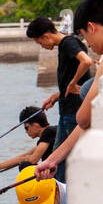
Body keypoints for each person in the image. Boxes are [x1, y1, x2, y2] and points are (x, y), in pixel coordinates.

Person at [35, 0, 103, 179]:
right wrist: (52, 159)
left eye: (86, 36)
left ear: (92, 27)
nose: (88, 44)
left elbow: (84, 118)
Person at [25, 17, 94, 180]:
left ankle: (64, 192)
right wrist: (57, 95)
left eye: (40, 43)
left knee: (67, 157)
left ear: (46, 36)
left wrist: (73, 83)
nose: (42, 46)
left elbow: (86, 61)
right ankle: (60, 190)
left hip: (73, 110)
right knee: (57, 156)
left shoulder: (68, 43)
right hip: (66, 108)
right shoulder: (65, 45)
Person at [0, 106, 57, 178]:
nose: (26, 132)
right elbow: (24, 155)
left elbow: (33, 160)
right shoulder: (47, 136)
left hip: (60, 173)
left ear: (36, 125)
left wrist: (23, 160)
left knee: (25, 165)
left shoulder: (49, 132)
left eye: (26, 128)